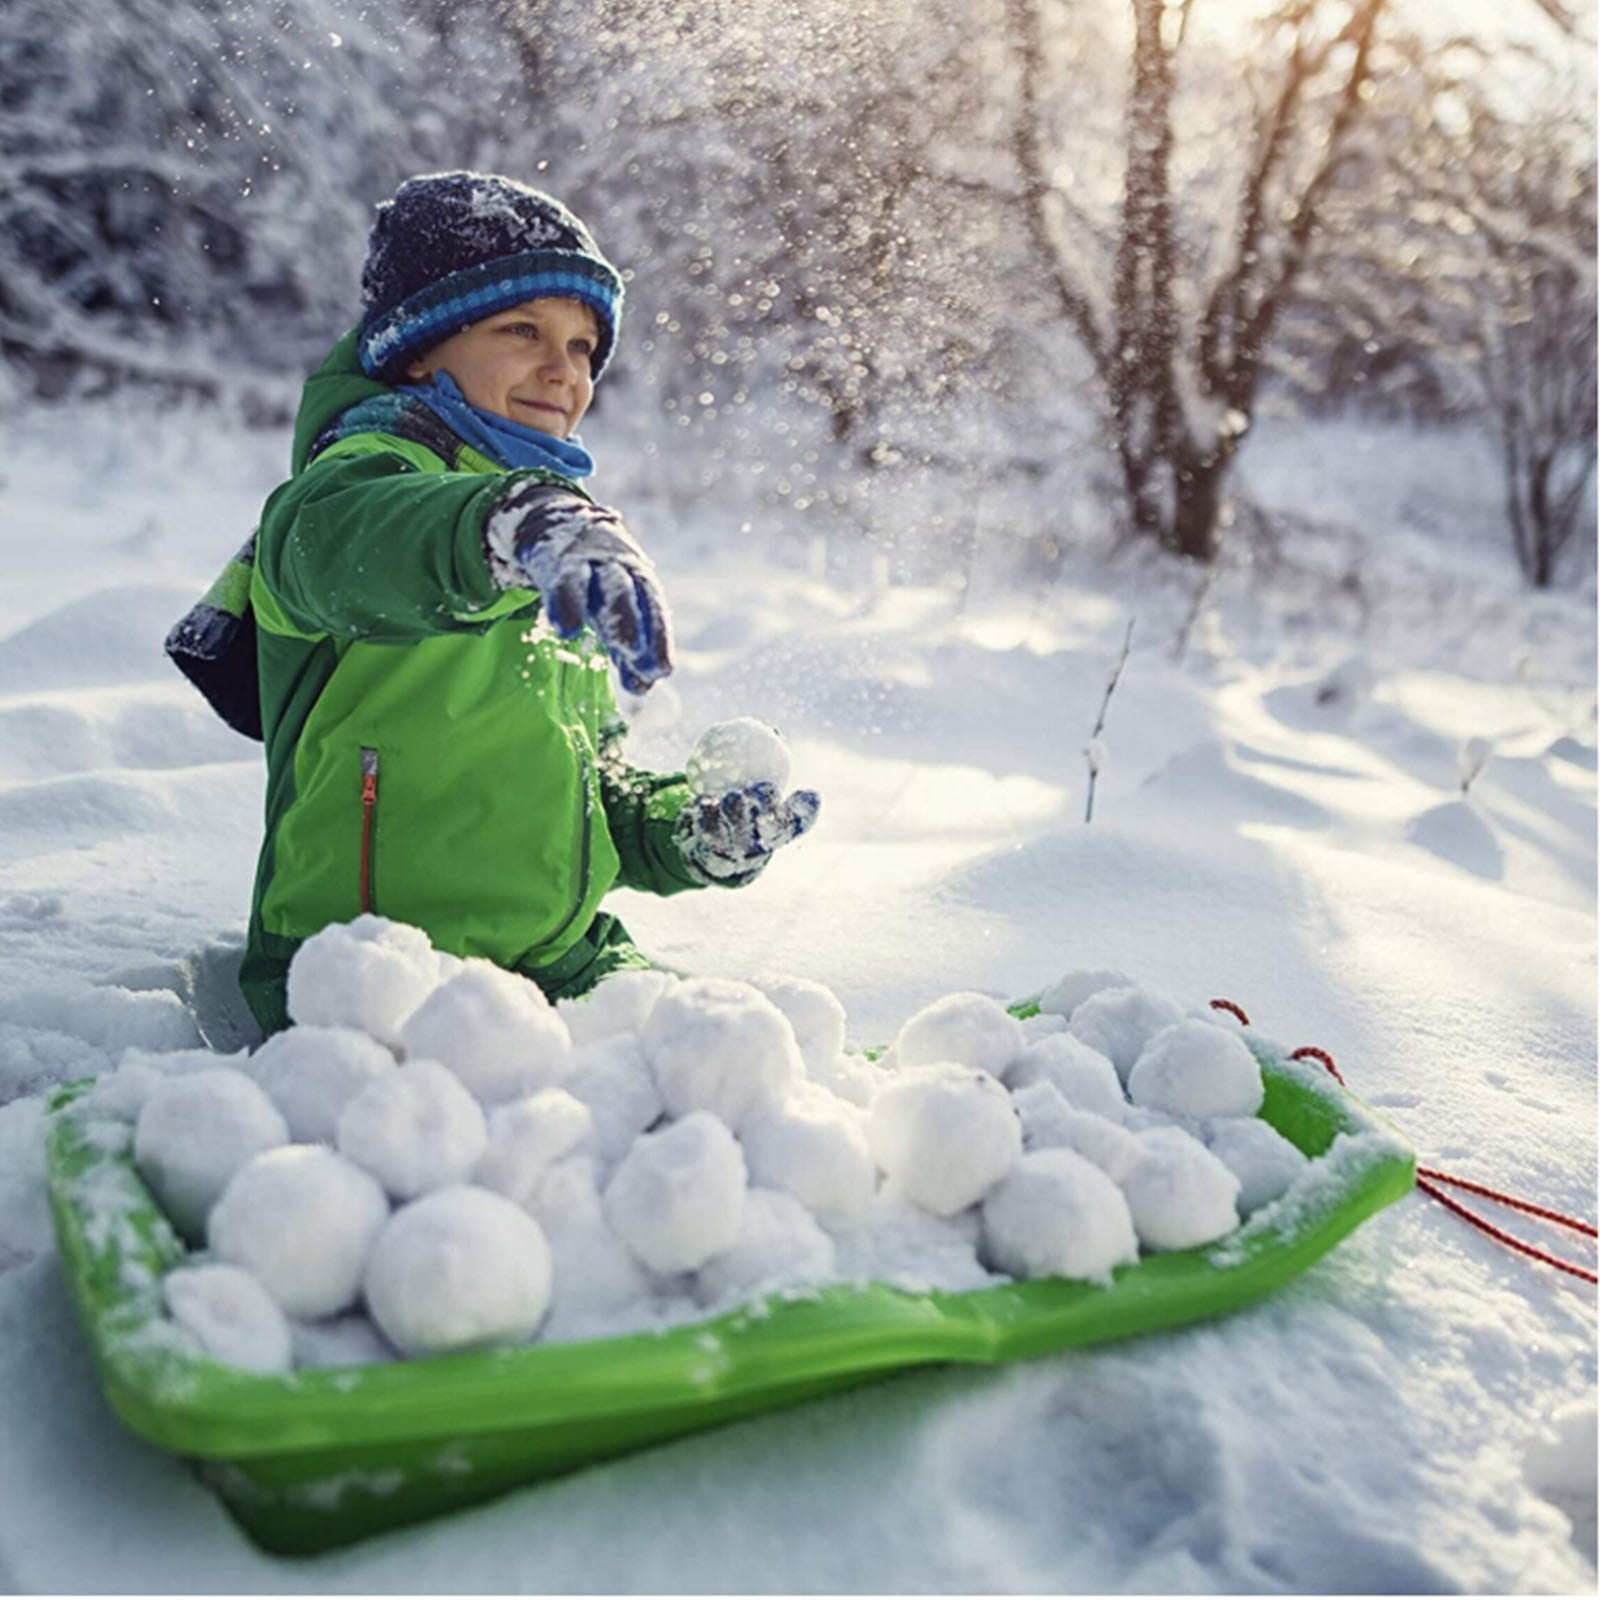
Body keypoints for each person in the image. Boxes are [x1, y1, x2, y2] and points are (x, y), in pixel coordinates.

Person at [203, 170, 818, 1035]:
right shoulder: (360, 487)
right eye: (522, 330)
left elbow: (584, 792)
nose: (562, 370)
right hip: (373, 980)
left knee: (742, 1061)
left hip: (562, 964)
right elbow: (342, 547)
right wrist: (511, 526)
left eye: (583, 346)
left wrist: (689, 833)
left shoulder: (560, 544)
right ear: (421, 348)